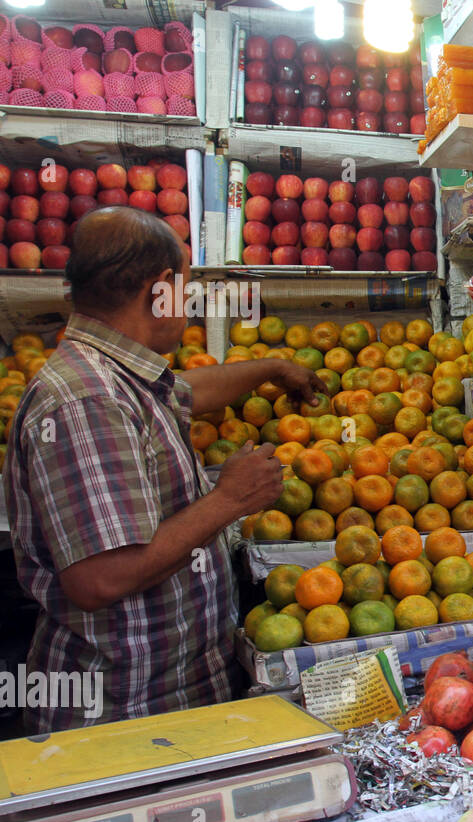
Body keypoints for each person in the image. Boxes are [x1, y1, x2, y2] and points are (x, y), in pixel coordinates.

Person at [3, 206, 322, 733]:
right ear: (158, 292)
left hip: (167, 691)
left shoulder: (116, 373)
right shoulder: (87, 400)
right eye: (186, 289)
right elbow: (98, 578)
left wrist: (272, 367)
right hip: (122, 714)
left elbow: (188, 393)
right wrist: (230, 501)